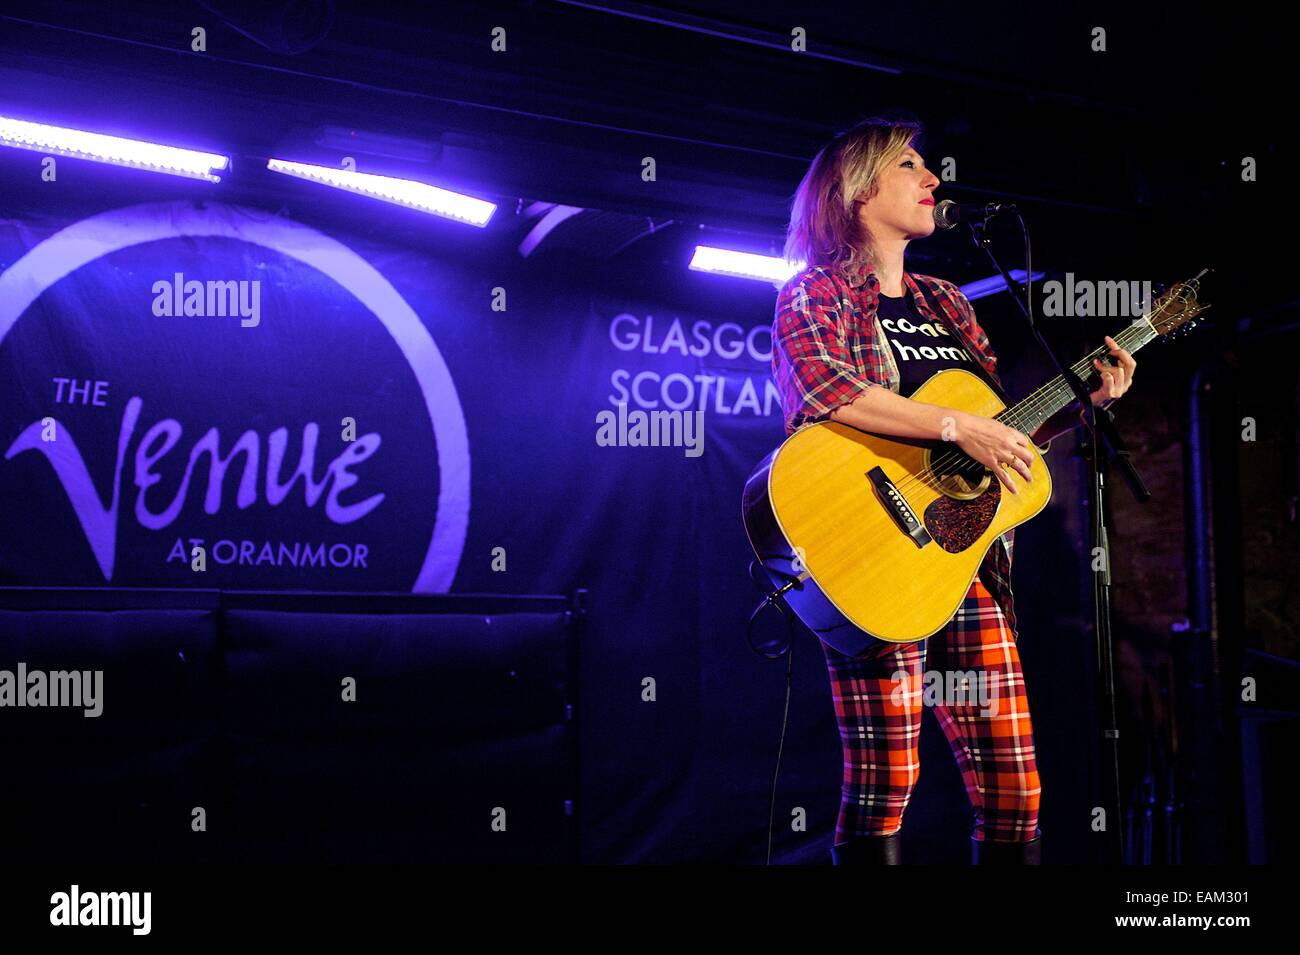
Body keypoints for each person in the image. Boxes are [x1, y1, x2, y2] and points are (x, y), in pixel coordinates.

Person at [773, 117, 1136, 864]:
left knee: (1017, 789)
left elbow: (998, 432)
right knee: (886, 781)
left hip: (963, 559)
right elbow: (825, 389)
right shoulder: (816, 293)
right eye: (911, 165)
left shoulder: (948, 301)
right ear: (857, 187)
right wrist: (951, 425)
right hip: (873, 554)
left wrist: (1080, 407)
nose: (934, 180)